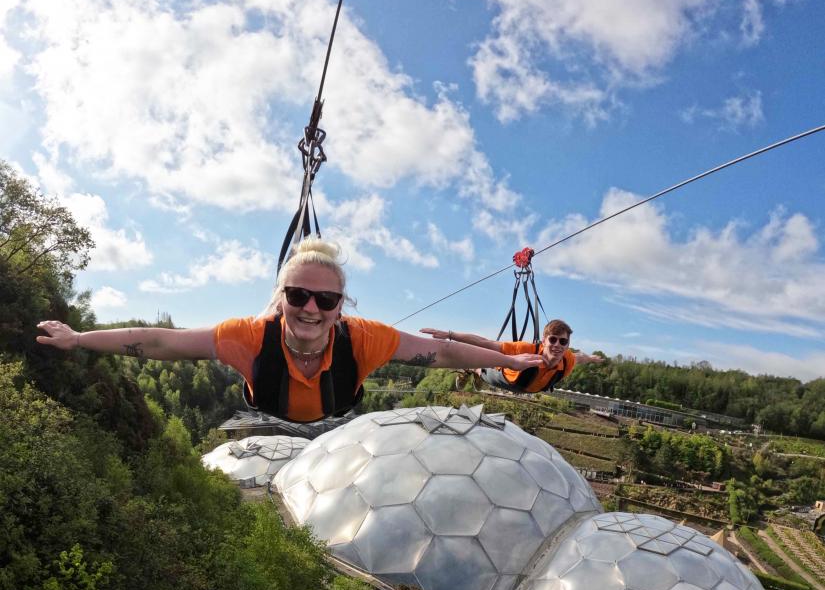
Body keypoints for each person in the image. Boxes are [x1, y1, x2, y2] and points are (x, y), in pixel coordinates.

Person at [36, 237, 547, 423]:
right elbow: (160, 341)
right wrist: (78, 340)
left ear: (340, 306)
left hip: (335, 403)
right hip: (271, 404)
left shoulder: (361, 337)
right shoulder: (249, 335)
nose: (310, 308)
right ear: (281, 299)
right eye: (298, 295)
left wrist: (510, 361)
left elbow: (438, 353)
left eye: (325, 300)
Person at [420, 319, 603, 394]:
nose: (557, 345)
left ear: (567, 345)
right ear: (544, 340)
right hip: (505, 379)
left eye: (562, 342)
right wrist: (451, 334)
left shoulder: (567, 360)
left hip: (528, 389)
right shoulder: (525, 349)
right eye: (553, 340)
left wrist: (592, 358)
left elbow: (580, 357)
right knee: (482, 368)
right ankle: (471, 370)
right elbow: (486, 343)